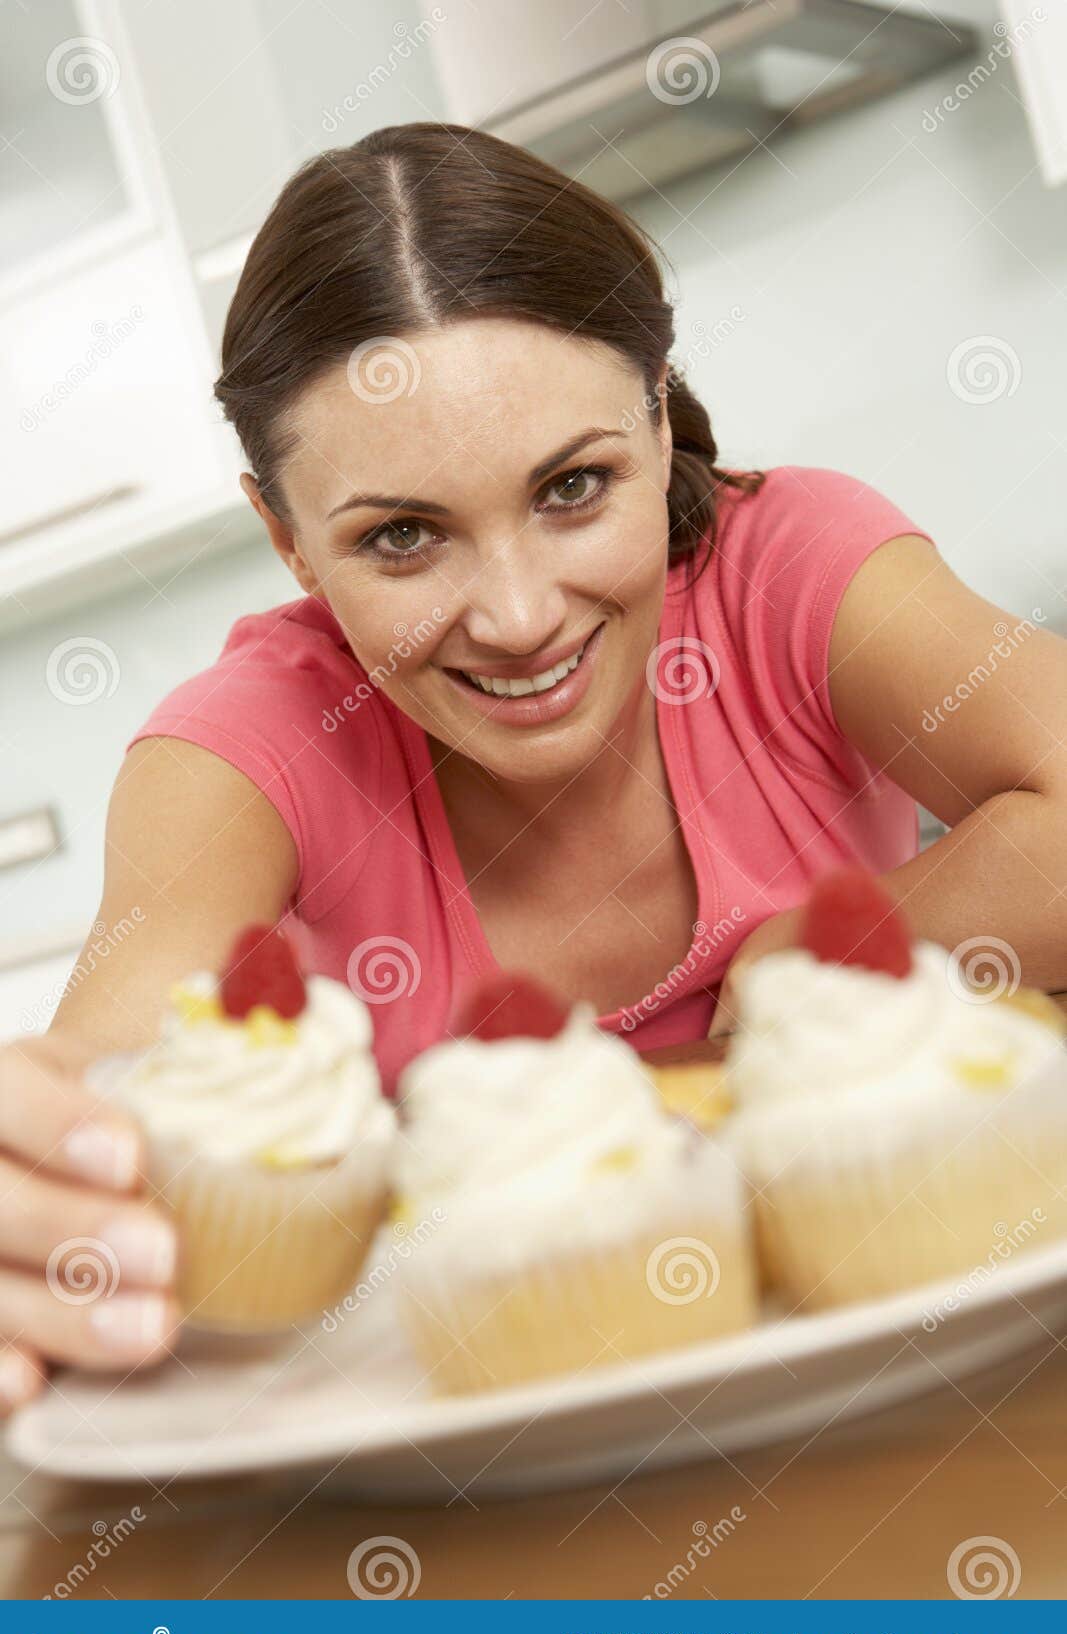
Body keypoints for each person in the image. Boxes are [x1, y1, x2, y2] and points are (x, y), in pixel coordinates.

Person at [3, 123, 1066, 1412]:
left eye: (573, 488)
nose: (517, 615)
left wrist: (803, 959)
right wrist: (56, 1159)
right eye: (402, 536)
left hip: (919, 1393)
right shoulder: (250, 745)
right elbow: (119, 1070)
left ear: (657, 414)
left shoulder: (789, 566)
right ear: (285, 540)